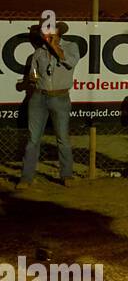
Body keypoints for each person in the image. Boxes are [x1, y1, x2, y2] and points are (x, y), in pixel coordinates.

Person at [18, 19, 81, 187]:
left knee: (63, 138)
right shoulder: (38, 52)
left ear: (58, 32)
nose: (44, 34)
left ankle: (66, 175)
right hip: (38, 97)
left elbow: (69, 61)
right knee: (33, 139)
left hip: (60, 98)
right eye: (43, 32)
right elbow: (34, 74)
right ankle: (26, 178)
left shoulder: (71, 47)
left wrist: (54, 46)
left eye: (49, 31)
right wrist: (31, 79)